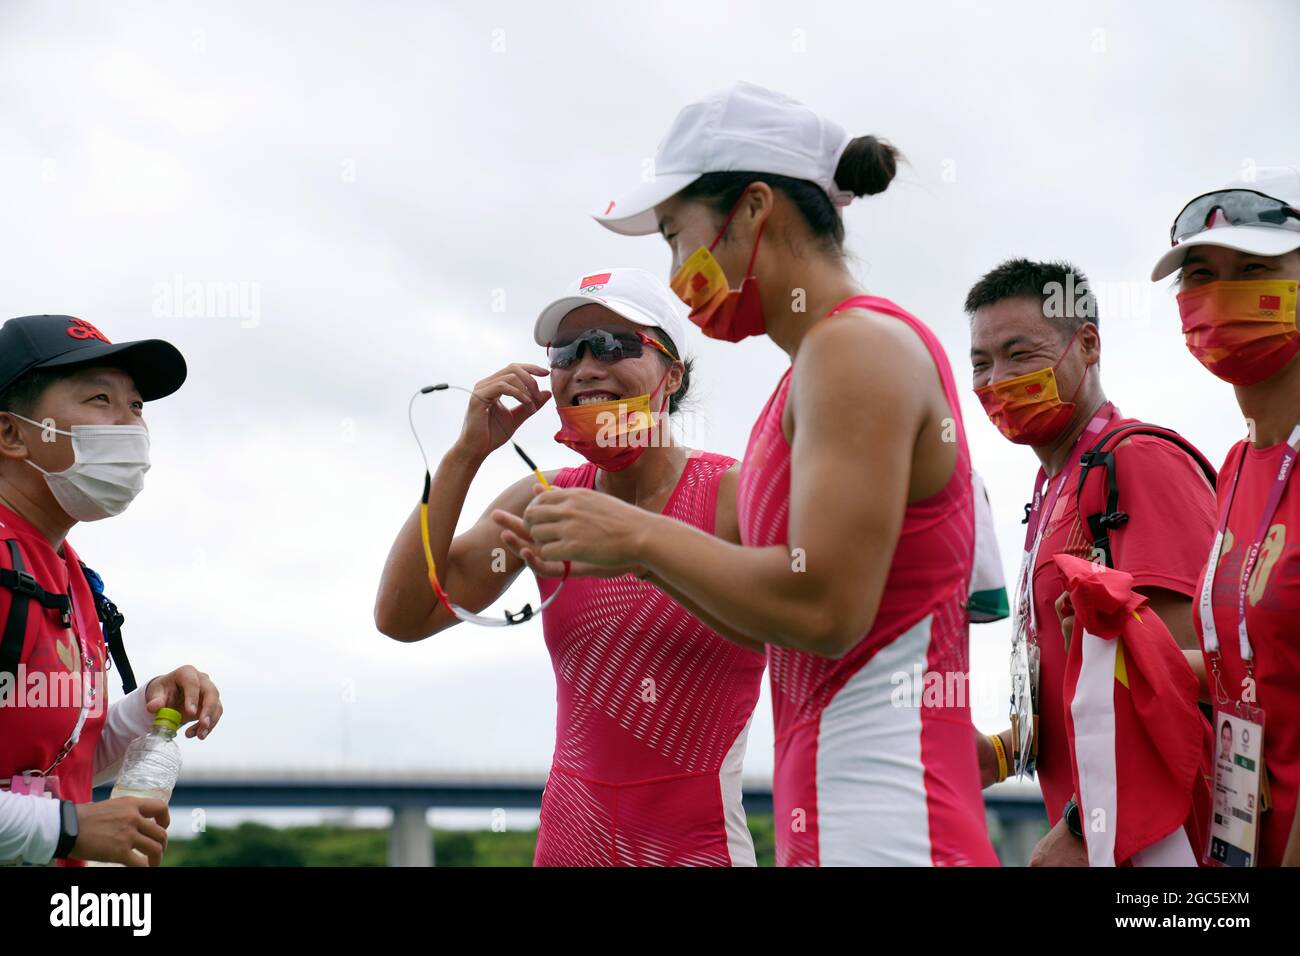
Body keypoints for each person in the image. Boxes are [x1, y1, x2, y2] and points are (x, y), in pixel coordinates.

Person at [506, 82, 999, 866]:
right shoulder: (803, 378)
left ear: (753, 209)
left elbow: (827, 606)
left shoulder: (853, 349)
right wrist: (636, 552)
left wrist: (638, 537)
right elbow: (768, 620)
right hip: (835, 819)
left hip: (893, 826)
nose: (675, 274)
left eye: (676, 236)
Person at [375, 268, 766, 866]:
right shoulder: (541, 503)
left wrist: (641, 547)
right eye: (566, 351)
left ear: (673, 371)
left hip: (698, 848)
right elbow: (402, 616)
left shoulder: (735, 497)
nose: (586, 367)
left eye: (615, 344)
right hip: (568, 845)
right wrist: (466, 455)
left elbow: (816, 624)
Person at [965, 259, 1218, 865]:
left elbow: (1182, 686)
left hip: (1165, 846)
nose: (997, 379)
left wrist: (1086, 827)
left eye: (1020, 354)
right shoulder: (1053, 485)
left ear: (1088, 343)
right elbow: (1092, 684)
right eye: (980, 362)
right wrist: (1001, 753)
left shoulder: (1138, 461)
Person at [0, 314, 222, 867]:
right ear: (11, 433)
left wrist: (148, 711)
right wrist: (66, 827)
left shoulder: (71, 574)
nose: (129, 425)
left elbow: (62, 760)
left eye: (137, 406)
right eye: (100, 399)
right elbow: (57, 811)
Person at [1151, 165, 1300, 866]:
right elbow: (1249, 667)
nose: (1216, 297)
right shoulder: (1239, 466)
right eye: (1200, 273)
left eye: (1253, 269)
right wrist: (1122, 649)